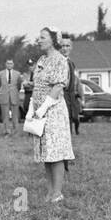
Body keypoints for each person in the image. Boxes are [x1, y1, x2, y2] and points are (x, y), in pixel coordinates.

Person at [28, 28, 74, 203]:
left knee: (55, 152)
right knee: (46, 153)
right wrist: (33, 108)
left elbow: (57, 87)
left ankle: (57, 193)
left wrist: (44, 107)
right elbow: (37, 84)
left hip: (53, 111)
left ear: (53, 40)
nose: (38, 40)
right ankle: (50, 191)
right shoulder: (41, 59)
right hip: (40, 110)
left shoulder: (60, 60)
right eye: (38, 37)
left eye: (42, 37)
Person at [59, 35, 81, 134]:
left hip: (71, 94)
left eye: (67, 46)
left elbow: (75, 80)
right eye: (63, 46)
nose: (65, 48)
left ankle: (70, 135)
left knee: (73, 116)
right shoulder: (56, 62)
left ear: (71, 47)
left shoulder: (71, 63)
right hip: (60, 94)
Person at [0, 59, 21, 136]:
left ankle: (15, 131)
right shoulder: (0, 74)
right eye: (8, 63)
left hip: (14, 96)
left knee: (15, 115)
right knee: (5, 115)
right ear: (5, 64)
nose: (9, 65)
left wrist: (15, 91)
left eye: (11, 63)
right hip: (4, 96)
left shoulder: (17, 74)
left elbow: (19, 86)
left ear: (13, 64)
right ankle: (7, 131)